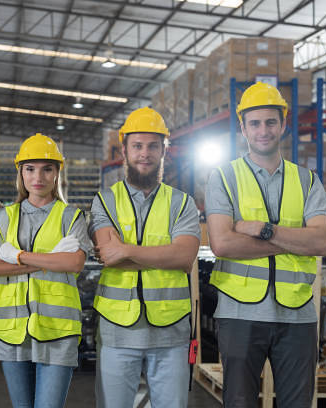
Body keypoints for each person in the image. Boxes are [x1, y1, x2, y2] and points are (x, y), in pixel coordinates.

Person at [206, 82, 326, 407]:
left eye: (271, 122)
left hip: (298, 314)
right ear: (243, 128)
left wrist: (262, 230)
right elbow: (222, 243)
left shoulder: (307, 180)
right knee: (240, 402)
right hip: (239, 311)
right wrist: (294, 240)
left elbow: (322, 240)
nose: (264, 130)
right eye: (255, 123)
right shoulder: (223, 177)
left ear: (284, 124)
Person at [90, 107, 200, 408]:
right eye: (137, 146)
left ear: (165, 150)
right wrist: (163, 253)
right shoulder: (105, 200)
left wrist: (127, 250)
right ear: (124, 150)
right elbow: (108, 255)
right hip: (117, 329)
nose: (145, 153)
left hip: (170, 331)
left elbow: (184, 257)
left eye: (153, 146)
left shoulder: (182, 203)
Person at [0, 133, 91, 408]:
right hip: (12, 332)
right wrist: (51, 258)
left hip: (57, 331)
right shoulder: (3, 218)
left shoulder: (72, 217)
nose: (37, 176)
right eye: (30, 169)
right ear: (20, 173)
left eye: (47, 169)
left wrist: (16, 256)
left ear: (57, 174)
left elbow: (74, 263)